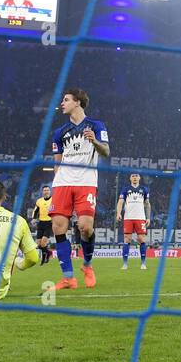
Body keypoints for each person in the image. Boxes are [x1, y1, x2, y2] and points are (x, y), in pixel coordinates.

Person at [48, 89, 109, 290]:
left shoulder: (96, 125)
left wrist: (94, 141)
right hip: (63, 183)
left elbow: (106, 152)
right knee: (58, 227)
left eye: (66, 100)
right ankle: (68, 278)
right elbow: (57, 163)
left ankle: (87, 265)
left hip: (86, 181)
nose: (62, 103)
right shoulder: (59, 133)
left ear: (78, 102)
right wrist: (57, 182)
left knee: (85, 227)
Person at [117, 173, 151, 270]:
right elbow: (120, 202)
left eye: (136, 176)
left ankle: (143, 263)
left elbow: (147, 204)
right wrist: (118, 213)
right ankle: (125, 264)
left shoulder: (144, 189)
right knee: (127, 239)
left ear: (140, 178)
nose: (135, 178)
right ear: (130, 178)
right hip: (128, 218)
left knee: (141, 239)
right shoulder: (125, 189)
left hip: (140, 218)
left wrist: (148, 218)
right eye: (133, 176)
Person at [32, 185, 53, 264]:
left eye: (47, 190)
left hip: (49, 223)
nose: (46, 192)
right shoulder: (39, 201)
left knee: (43, 243)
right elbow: (35, 211)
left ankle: (44, 257)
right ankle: (48, 253)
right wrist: (34, 218)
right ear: (42, 192)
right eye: (45, 190)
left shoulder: (53, 200)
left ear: (50, 191)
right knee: (38, 243)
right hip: (41, 223)